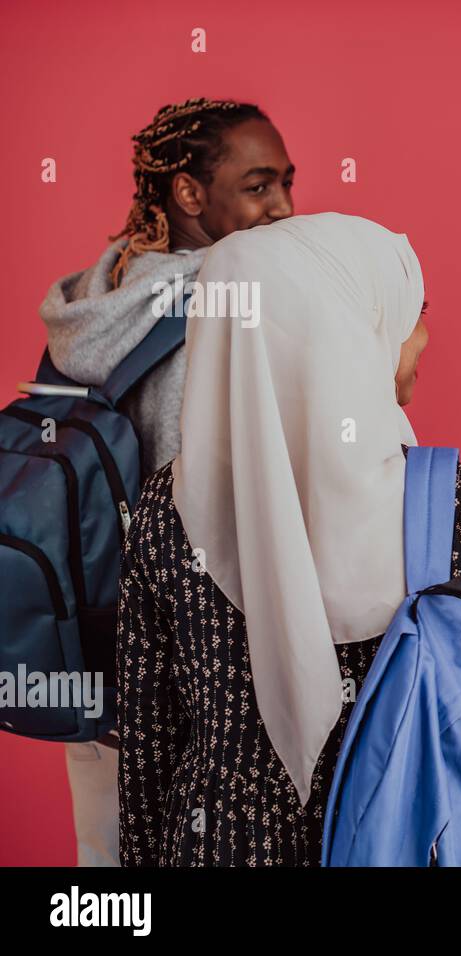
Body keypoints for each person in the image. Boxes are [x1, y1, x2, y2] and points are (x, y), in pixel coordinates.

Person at [116, 212, 461, 866]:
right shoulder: (441, 502)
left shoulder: (168, 507)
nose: (422, 337)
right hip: (403, 838)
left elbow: (148, 742)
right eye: (406, 312)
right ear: (340, 331)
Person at [38, 97, 295, 867]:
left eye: (286, 182)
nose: (282, 207)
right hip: (179, 667)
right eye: (258, 185)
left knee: (103, 862)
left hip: (81, 642)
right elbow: (211, 515)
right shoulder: (214, 307)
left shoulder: (97, 293)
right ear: (188, 194)